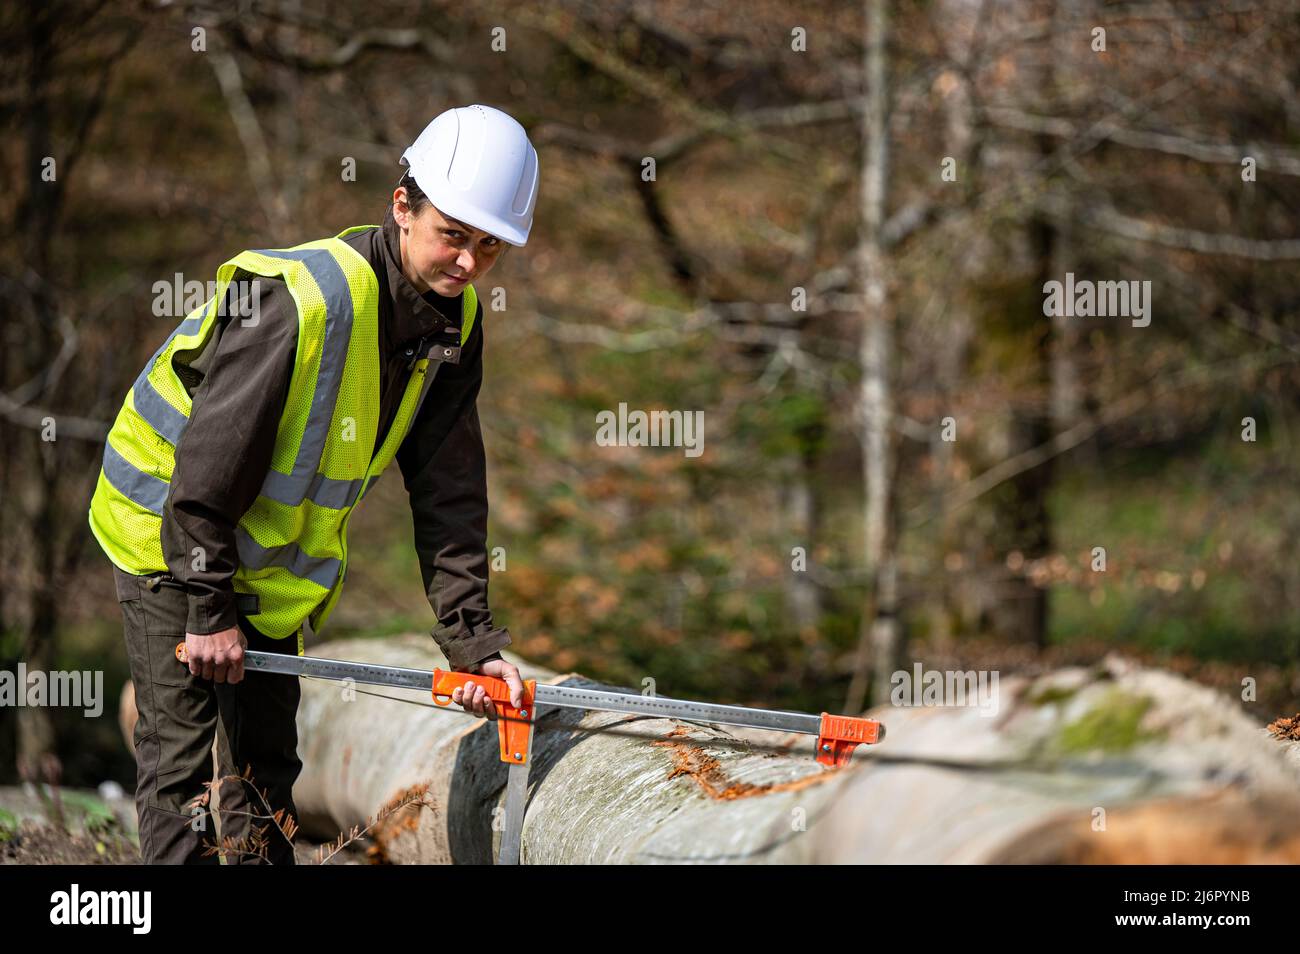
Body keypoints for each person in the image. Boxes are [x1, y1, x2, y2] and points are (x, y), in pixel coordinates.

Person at [87, 104, 540, 864]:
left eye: (490, 246)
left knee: (268, 776)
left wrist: (473, 643)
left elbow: (449, 488)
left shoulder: (453, 327)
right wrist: (206, 608)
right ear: (403, 206)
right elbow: (207, 466)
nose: (468, 262)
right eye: (453, 235)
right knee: (184, 776)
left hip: (260, 566)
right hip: (172, 534)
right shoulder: (306, 303)